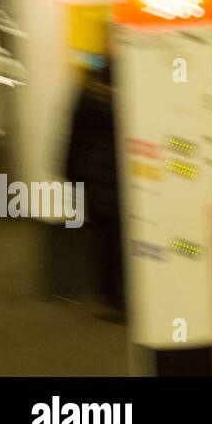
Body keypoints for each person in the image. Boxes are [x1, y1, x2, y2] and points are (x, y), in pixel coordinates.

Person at [63, 62, 124, 321]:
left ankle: (112, 296)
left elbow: (73, 134)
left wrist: (69, 170)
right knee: (112, 238)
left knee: (105, 238)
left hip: (94, 176)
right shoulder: (123, 90)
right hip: (109, 177)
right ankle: (116, 296)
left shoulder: (87, 88)